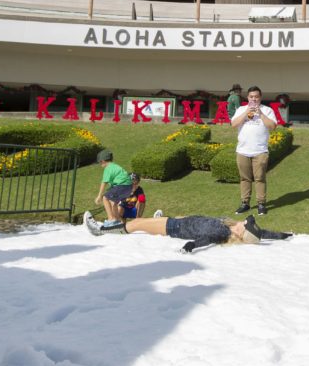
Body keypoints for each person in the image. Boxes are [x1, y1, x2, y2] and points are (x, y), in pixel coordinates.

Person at [84, 212, 292, 252]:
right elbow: (261, 233)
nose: (242, 222)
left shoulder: (221, 232)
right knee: (144, 222)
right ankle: (157, 218)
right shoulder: (228, 227)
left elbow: (205, 238)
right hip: (179, 221)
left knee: (137, 223)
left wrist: (191, 245)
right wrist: (282, 235)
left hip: (174, 227)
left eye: (243, 225)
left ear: (241, 233)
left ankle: (100, 230)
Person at [232, 86, 277, 215]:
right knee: (244, 178)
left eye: (256, 97)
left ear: (260, 97)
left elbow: (272, 126)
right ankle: (245, 203)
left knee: (260, 178)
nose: (254, 99)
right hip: (243, 150)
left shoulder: (267, 110)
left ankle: (261, 204)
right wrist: (246, 113)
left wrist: (260, 114)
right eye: (251, 97)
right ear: (247, 98)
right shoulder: (241, 109)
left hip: (260, 151)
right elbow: (234, 124)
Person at [93, 148, 140, 230]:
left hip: (122, 185)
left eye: (100, 163)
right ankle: (118, 221)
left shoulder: (108, 168)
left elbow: (104, 182)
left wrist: (99, 196)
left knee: (105, 198)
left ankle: (111, 219)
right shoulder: (115, 166)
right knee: (113, 202)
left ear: (103, 161)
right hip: (128, 187)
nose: (101, 165)